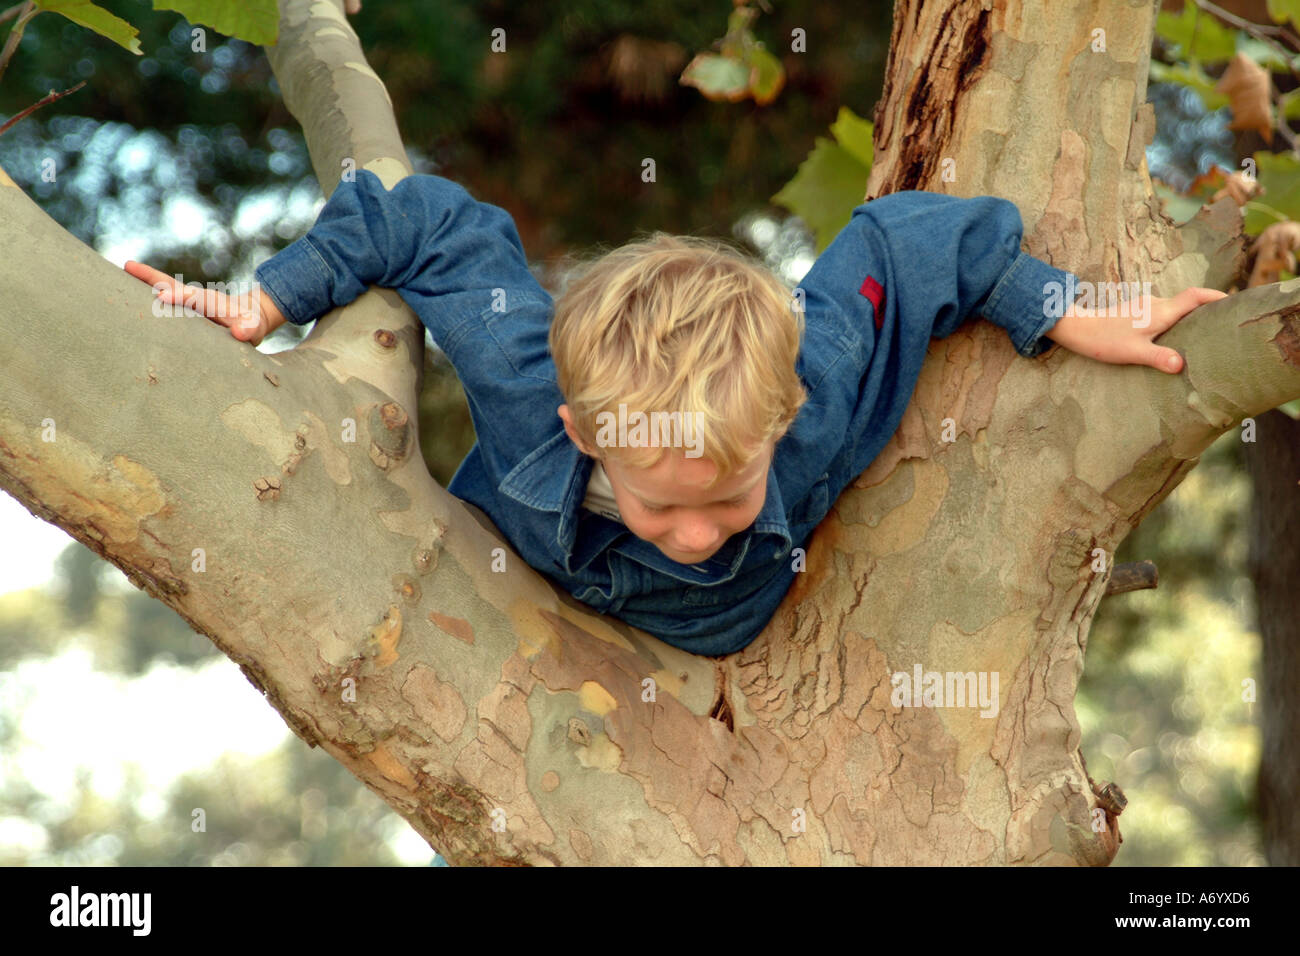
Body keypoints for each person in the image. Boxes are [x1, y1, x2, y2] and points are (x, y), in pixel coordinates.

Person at [123, 172, 1226, 656]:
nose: (702, 534)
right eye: (664, 505)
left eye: (730, 495)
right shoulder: (528, 388)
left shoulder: (810, 385)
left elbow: (902, 242)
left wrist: (1065, 306)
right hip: (520, 608)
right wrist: (264, 298)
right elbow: (423, 221)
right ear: (586, 430)